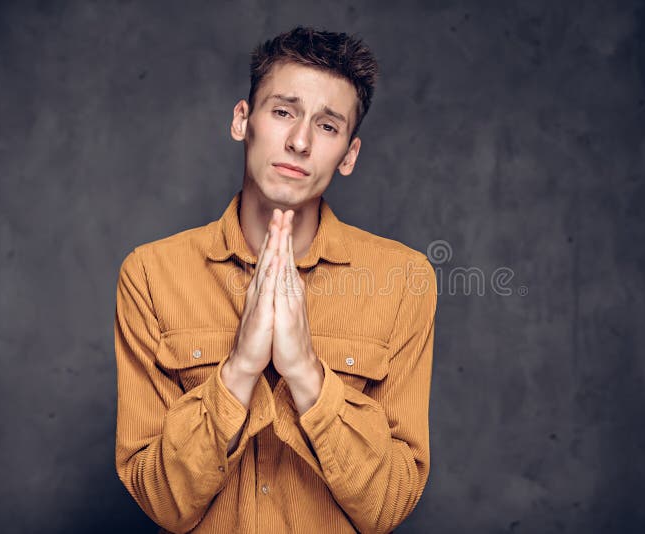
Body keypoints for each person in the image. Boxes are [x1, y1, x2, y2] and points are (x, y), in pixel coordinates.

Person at [114, 26, 437, 534]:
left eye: (327, 126)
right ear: (242, 120)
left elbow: (388, 507)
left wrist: (306, 374)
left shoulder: (403, 282)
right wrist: (239, 370)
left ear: (349, 155)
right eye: (283, 112)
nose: (300, 142)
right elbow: (161, 503)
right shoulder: (151, 275)